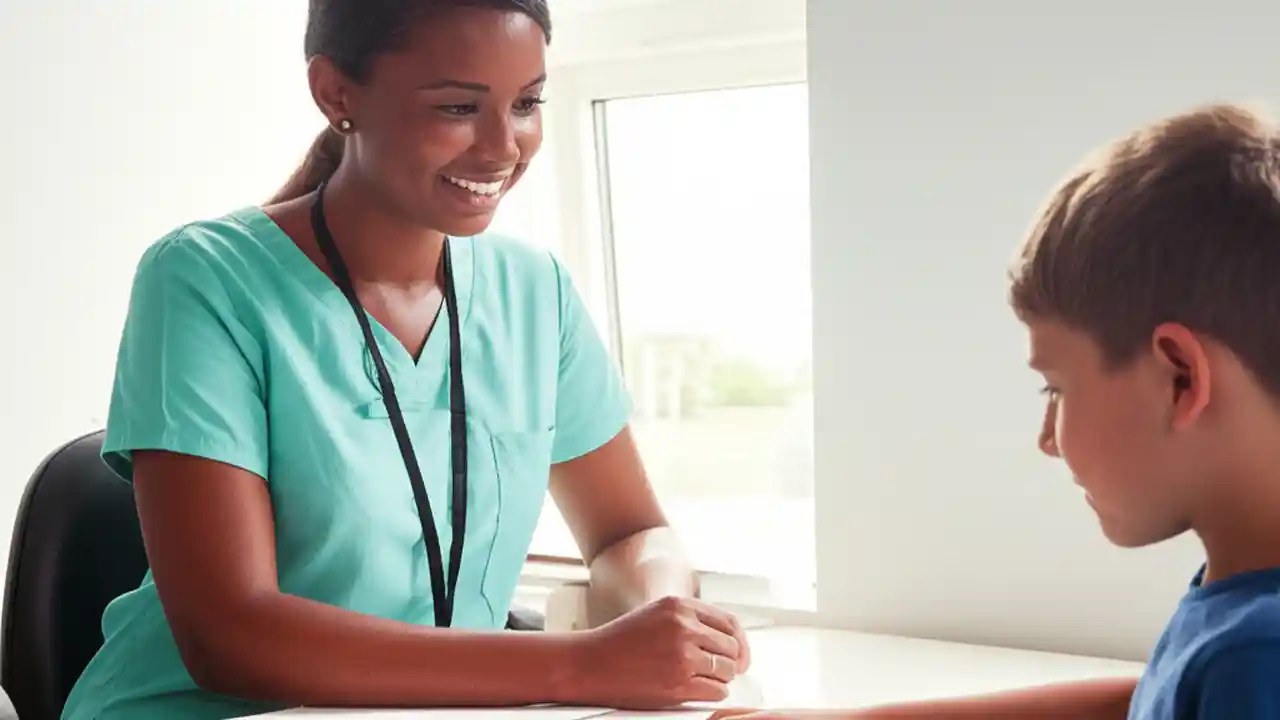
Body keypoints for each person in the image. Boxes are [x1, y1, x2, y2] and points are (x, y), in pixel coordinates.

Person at [61, 2, 751, 718]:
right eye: (458, 106)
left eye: (526, 104)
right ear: (336, 94)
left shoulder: (534, 291)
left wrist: (665, 622)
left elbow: (629, 533)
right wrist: (583, 664)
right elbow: (230, 634)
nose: (502, 147)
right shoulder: (204, 279)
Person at [716, 104, 1280, 719]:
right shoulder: (1243, 613)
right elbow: (1145, 698)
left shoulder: (1256, 654)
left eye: (1055, 390)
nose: (1048, 440)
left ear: (1178, 379)